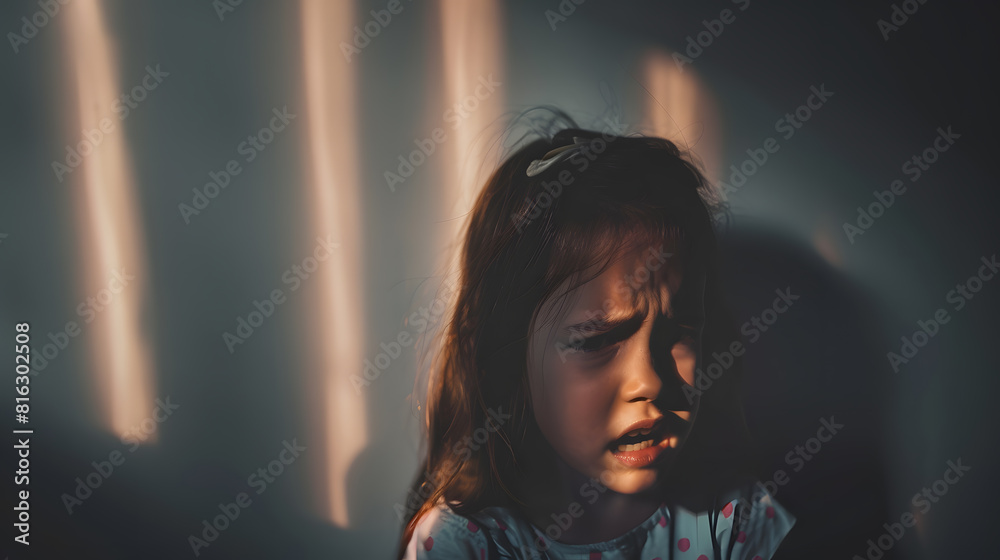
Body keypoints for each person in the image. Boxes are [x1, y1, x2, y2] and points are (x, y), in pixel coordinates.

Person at [397, 111, 795, 559]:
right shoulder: (464, 545)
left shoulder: (736, 521)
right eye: (594, 341)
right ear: (507, 363)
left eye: (681, 332)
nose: (650, 382)